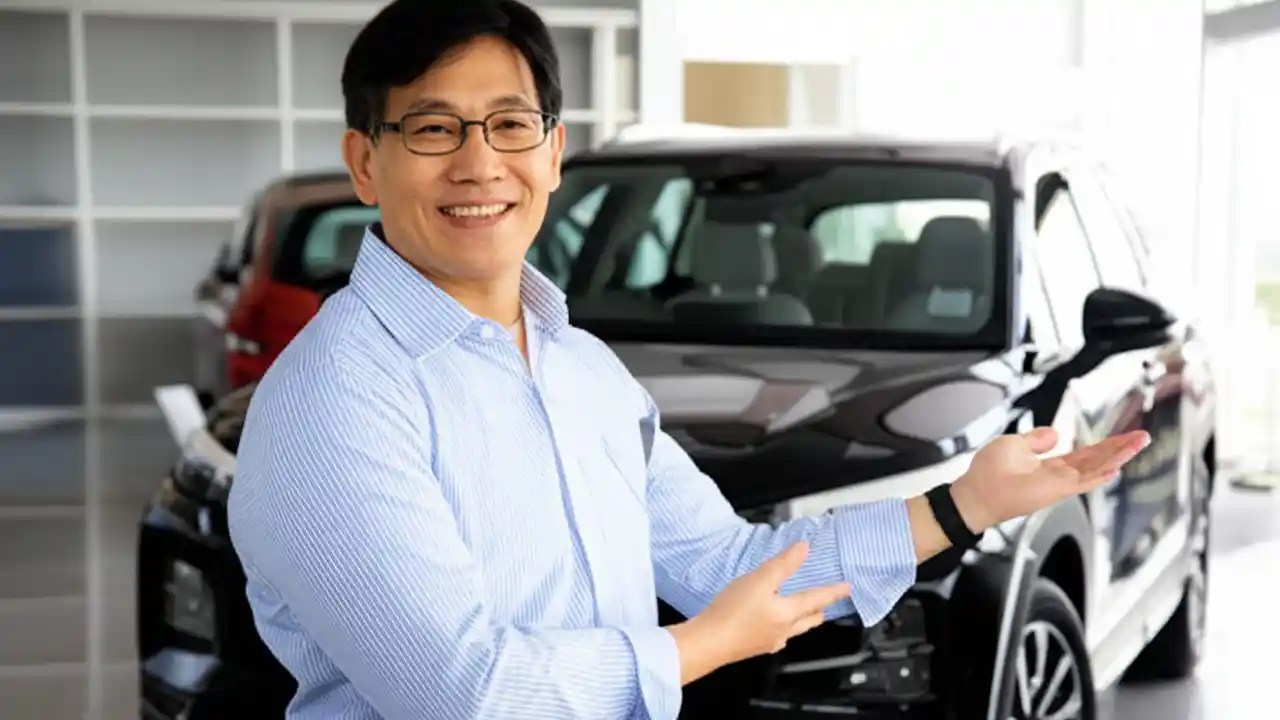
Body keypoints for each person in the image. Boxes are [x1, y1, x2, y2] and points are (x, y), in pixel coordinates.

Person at [225, 1, 1151, 718]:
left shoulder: (579, 368)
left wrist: (965, 503)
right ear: (363, 162)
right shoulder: (334, 398)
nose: (478, 164)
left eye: (509, 125)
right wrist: (699, 648)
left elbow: (726, 560)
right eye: (433, 129)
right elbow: (468, 694)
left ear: (551, 154)